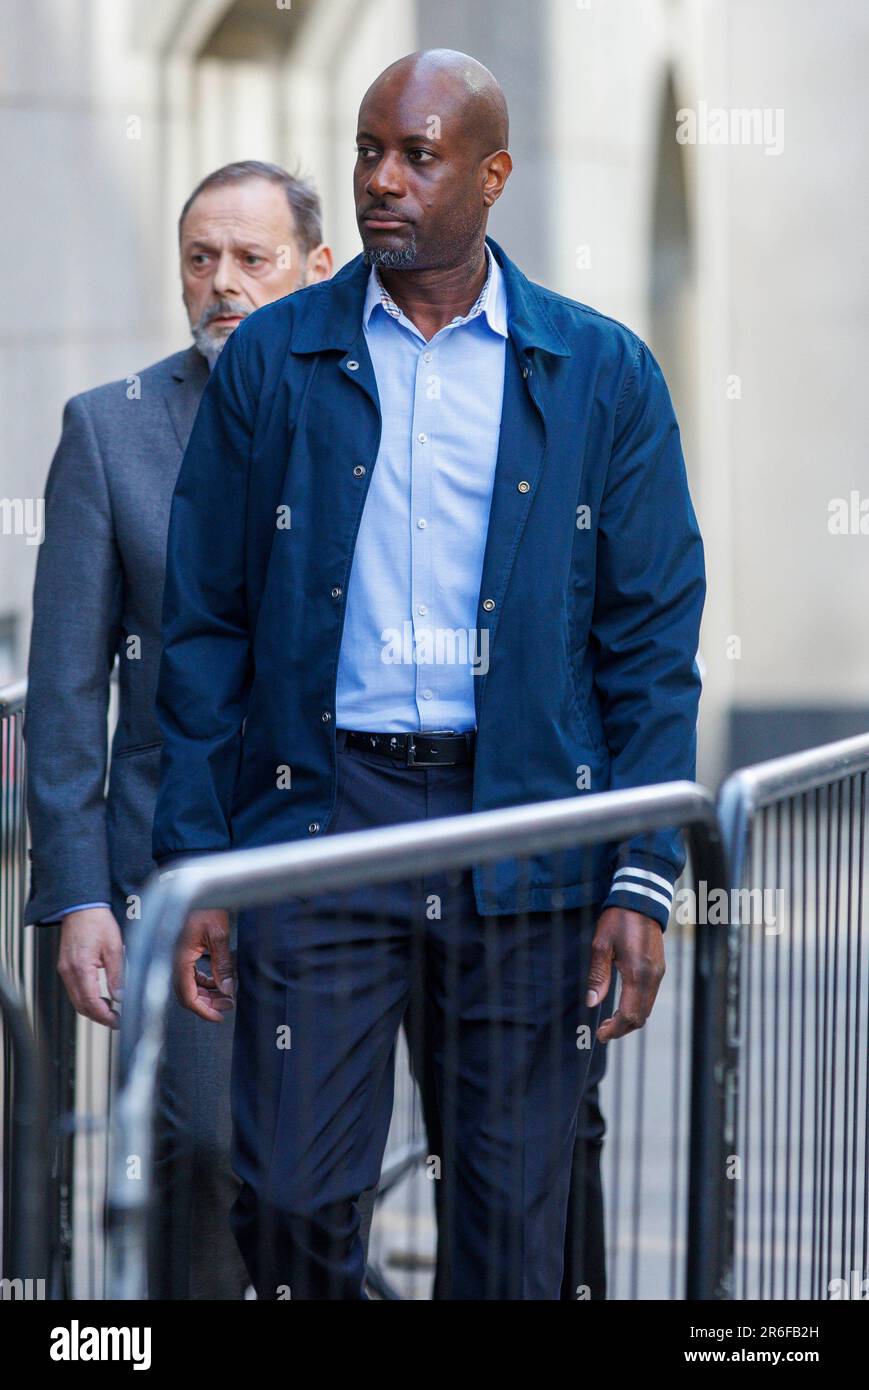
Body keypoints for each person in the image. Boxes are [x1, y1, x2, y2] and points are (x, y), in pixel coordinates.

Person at [153, 49, 705, 1301]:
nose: (380, 182)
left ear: (492, 174)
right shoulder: (274, 362)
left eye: (417, 155)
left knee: (515, 1224)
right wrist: (198, 863)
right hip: (323, 821)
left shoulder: (596, 371)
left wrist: (640, 872)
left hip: (524, 825)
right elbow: (203, 627)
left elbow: (650, 632)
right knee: (289, 1193)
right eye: (366, 151)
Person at [24, 160, 333, 1298]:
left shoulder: (376, 418)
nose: (222, 284)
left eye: (252, 259)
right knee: (198, 1147)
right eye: (200, 258)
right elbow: (64, 687)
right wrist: (76, 892)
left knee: (318, 1172)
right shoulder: (109, 431)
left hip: (356, 856)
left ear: (316, 268)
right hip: (173, 872)